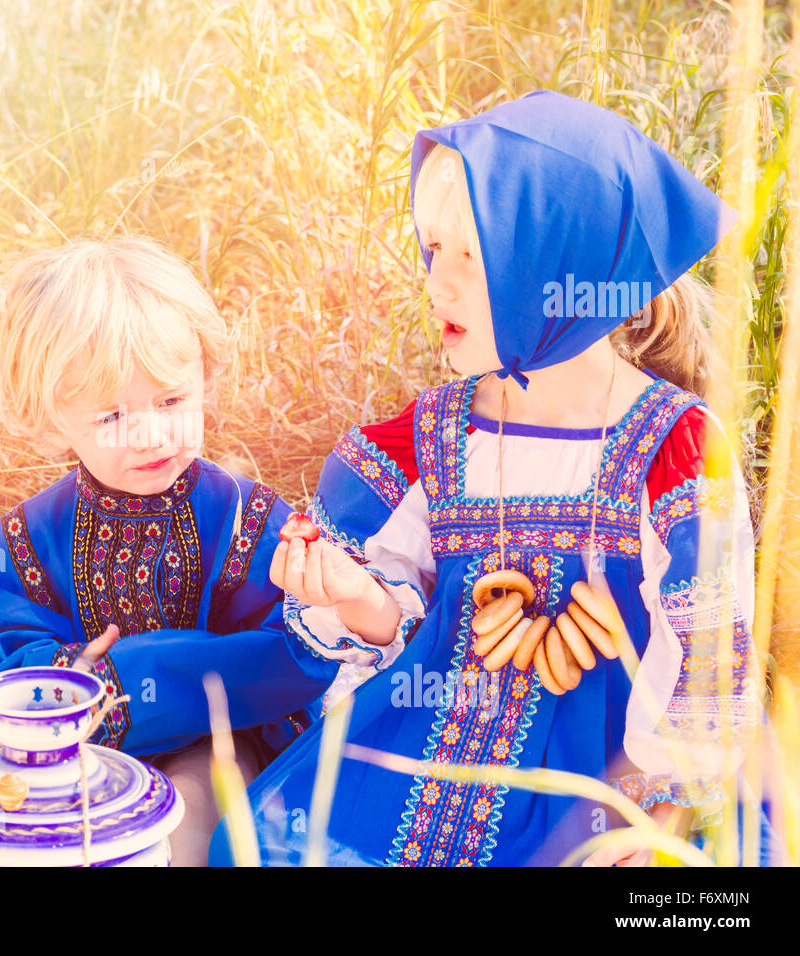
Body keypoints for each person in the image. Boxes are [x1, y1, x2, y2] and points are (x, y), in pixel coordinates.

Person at [210, 90, 763, 866]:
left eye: (471, 257)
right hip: (416, 761)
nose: (437, 284)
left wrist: (660, 820)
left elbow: (704, 660)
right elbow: (394, 621)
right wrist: (356, 599)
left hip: (602, 792)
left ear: (559, 264)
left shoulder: (673, 452)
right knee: (256, 849)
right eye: (432, 251)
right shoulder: (430, 437)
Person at [0, 236, 338, 865]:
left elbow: (298, 650)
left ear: (203, 377)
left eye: (171, 401)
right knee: (16, 832)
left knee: (184, 809)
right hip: (73, 759)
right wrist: (62, 677)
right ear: (52, 418)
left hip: (214, 741)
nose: (150, 433)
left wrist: (129, 678)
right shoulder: (27, 541)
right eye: (111, 415)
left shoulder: (244, 519)